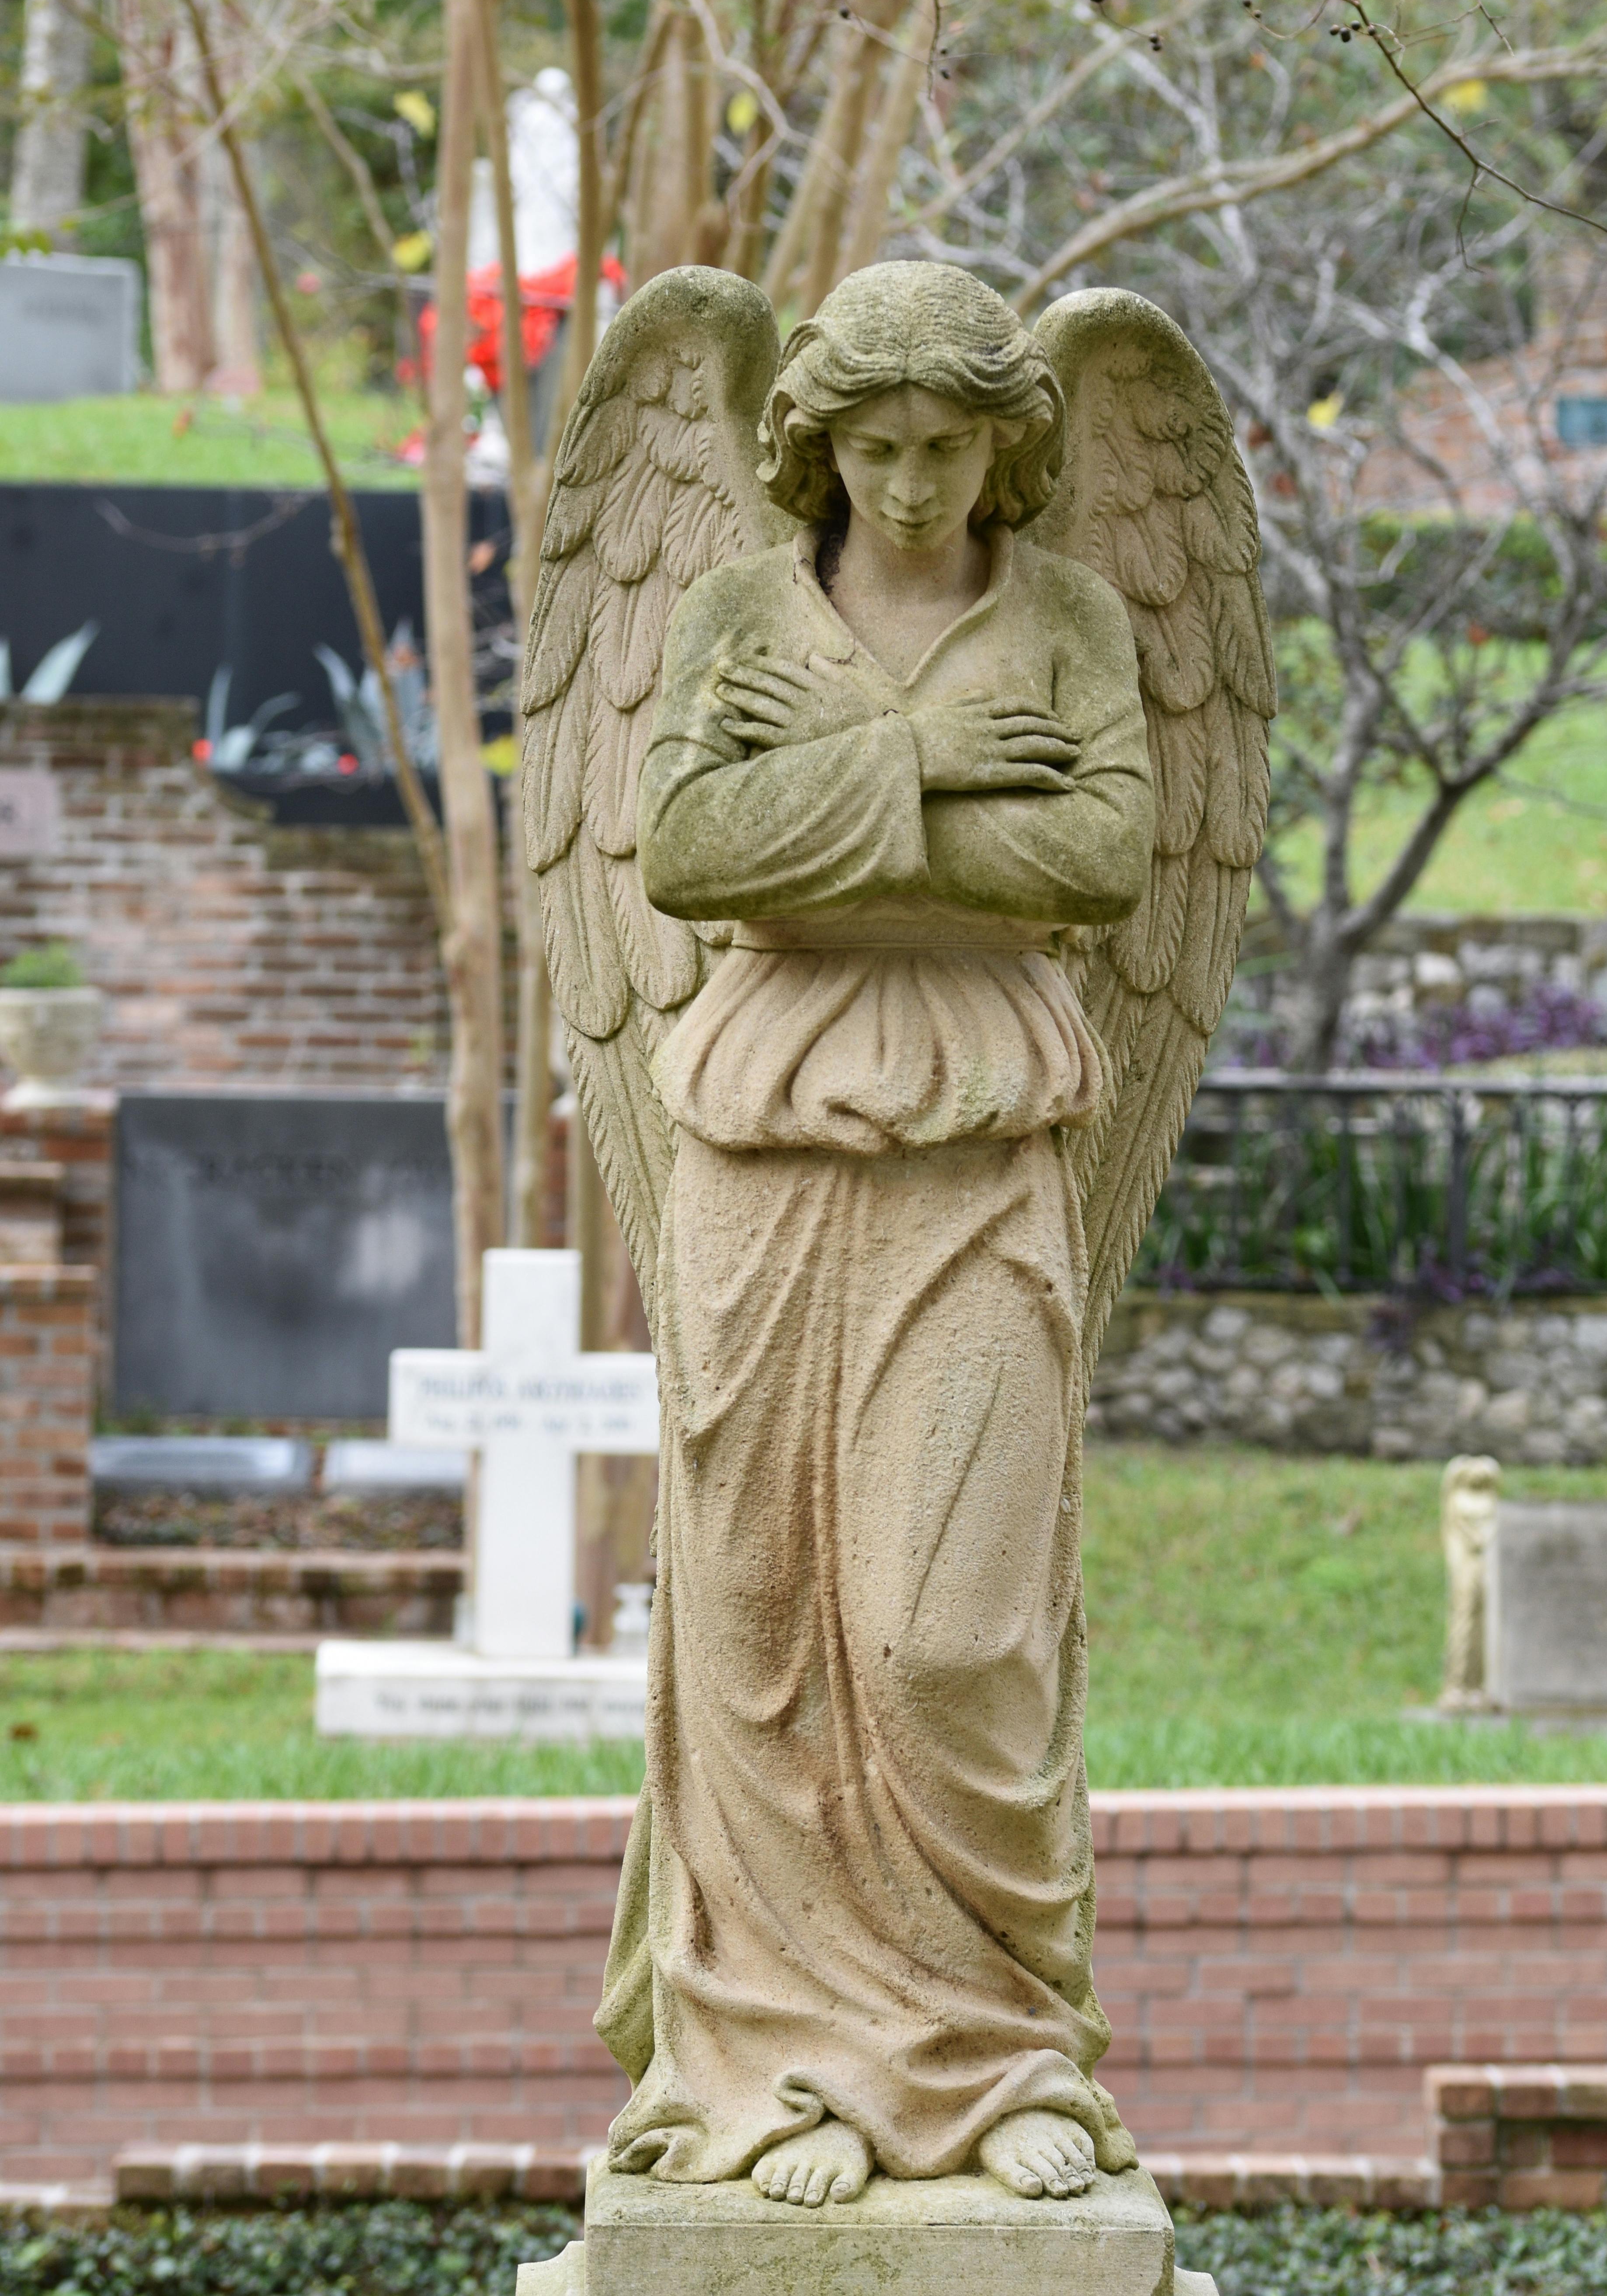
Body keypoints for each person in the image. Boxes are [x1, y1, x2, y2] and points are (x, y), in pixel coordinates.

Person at [595, 264, 1156, 2206]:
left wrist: (816, 799)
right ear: (813, 444)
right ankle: (784, 2071)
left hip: (980, 1148)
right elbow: (688, 856)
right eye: (874, 448)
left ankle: (994, 2057)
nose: (910, 487)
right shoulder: (737, 610)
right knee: (760, 1624)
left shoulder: (1071, 619)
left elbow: (1099, 858)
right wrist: (930, 762)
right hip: (761, 1155)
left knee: (942, 1633)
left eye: (947, 449)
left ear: (1010, 445)